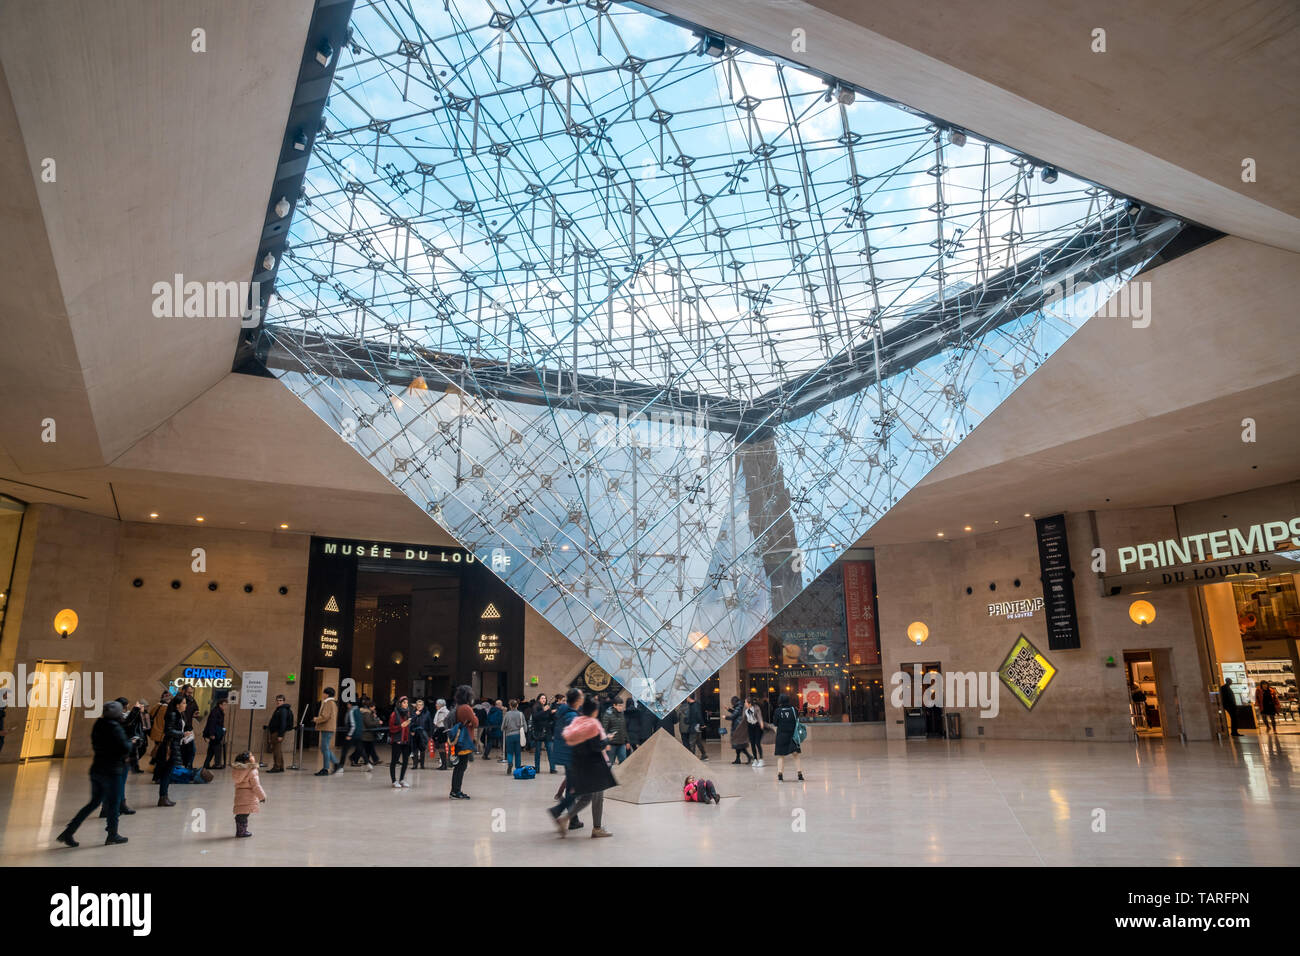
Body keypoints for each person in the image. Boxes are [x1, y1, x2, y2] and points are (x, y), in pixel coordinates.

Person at [56, 700, 134, 847]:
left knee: (93, 803)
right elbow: (124, 747)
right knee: (114, 803)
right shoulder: (115, 728)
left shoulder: (99, 725)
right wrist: (132, 743)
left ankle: (69, 831)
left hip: (98, 768)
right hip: (112, 770)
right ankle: (112, 834)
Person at [548, 697, 615, 838]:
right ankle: (597, 828)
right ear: (595, 711)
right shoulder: (593, 724)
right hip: (594, 765)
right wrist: (607, 739)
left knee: (586, 797)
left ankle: (565, 819)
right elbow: (597, 746)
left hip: (579, 764)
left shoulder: (576, 721)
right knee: (598, 797)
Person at [551, 688, 585, 831]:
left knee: (572, 787)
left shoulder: (564, 712)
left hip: (565, 754)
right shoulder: (571, 716)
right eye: (581, 696)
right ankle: (558, 811)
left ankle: (573, 820)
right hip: (571, 756)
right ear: (577, 700)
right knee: (576, 789)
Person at [154, 694, 186, 806]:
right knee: (166, 773)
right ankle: (163, 797)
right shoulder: (173, 714)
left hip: (174, 745)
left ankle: (164, 797)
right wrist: (182, 734)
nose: (185, 705)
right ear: (177, 705)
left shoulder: (178, 714)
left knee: (167, 773)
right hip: (170, 747)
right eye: (183, 703)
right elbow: (169, 731)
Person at [448, 685, 478, 800]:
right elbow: (475, 723)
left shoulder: (458, 706)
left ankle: (455, 790)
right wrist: (473, 717)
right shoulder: (466, 708)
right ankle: (455, 791)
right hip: (464, 740)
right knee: (461, 766)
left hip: (459, 739)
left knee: (459, 766)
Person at [231, 751, 267, 838]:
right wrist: (262, 796)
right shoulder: (252, 771)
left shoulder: (237, 770)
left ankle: (240, 831)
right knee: (244, 814)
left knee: (241, 814)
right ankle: (241, 832)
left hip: (239, 795)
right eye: (251, 756)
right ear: (247, 761)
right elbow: (256, 786)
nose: (253, 757)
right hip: (248, 796)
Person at [772, 694, 804, 782]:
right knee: (796, 755)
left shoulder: (777, 711)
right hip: (792, 736)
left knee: (781, 756)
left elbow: (775, 723)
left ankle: (780, 775)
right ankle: (800, 774)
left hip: (781, 736)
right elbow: (796, 720)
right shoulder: (794, 710)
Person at [313, 687, 339, 776]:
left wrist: (316, 719)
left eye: (323, 693)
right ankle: (336, 764)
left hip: (327, 728)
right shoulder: (333, 703)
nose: (322, 695)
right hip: (329, 728)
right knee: (325, 748)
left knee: (325, 748)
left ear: (327, 694)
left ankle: (325, 768)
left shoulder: (328, 703)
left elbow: (325, 716)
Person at [388, 695, 412, 788]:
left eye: (407, 703)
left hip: (406, 741)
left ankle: (402, 779)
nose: (406, 704)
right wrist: (400, 726)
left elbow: (409, 726)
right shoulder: (394, 714)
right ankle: (394, 780)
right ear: (400, 704)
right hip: (397, 741)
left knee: (405, 761)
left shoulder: (408, 713)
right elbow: (391, 728)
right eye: (404, 703)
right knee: (394, 761)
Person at [265, 694, 293, 772]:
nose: (278, 702)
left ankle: (276, 767)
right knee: (278, 750)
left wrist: (280, 735)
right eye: (277, 700)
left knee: (276, 750)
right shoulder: (279, 709)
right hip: (275, 732)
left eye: (280, 700)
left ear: (283, 701)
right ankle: (280, 766)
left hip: (277, 732)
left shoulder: (283, 710)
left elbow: (283, 723)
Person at [337, 700, 368, 772]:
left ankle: (341, 767)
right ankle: (368, 764)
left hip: (352, 734)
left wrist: (349, 734)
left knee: (344, 750)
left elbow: (353, 724)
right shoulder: (359, 711)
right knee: (360, 749)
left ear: (350, 705)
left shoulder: (351, 711)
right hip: (358, 734)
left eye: (348, 704)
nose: (347, 706)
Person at [530, 693, 555, 773]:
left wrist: (552, 712)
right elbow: (535, 717)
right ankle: (537, 768)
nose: (544, 700)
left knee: (550, 751)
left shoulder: (547, 707)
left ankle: (552, 768)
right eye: (542, 698)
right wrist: (543, 710)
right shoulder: (535, 707)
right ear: (538, 699)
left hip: (547, 731)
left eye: (545, 698)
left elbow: (550, 718)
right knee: (537, 752)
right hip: (538, 732)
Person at [177, 684, 200, 769]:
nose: (190, 694)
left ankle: (188, 767)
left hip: (189, 728)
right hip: (181, 729)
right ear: (183, 691)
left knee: (191, 750)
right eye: (188, 692)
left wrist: (196, 713)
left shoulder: (192, 700)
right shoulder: (178, 699)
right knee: (182, 750)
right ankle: (183, 767)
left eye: (191, 693)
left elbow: (196, 710)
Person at [601, 697, 629, 763]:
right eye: (619, 706)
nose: (621, 707)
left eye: (622, 706)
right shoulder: (608, 714)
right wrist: (607, 743)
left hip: (621, 743)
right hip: (611, 744)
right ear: (614, 705)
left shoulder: (622, 714)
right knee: (610, 763)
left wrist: (627, 741)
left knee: (623, 762)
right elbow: (604, 730)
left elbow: (624, 728)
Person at [147, 690, 171, 766]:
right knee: (161, 748)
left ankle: (153, 761)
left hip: (155, 731)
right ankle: (154, 761)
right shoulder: (167, 709)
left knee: (157, 746)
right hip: (162, 732)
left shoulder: (156, 706)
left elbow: (150, 715)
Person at [725, 696, 752, 765]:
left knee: (739, 745)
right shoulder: (739, 706)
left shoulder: (739, 707)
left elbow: (733, 716)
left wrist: (726, 717)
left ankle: (748, 756)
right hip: (738, 727)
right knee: (738, 745)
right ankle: (738, 758)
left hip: (737, 728)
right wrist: (729, 709)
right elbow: (736, 713)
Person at [202, 698, 227, 770]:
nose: (225, 706)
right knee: (217, 748)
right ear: (220, 705)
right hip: (215, 733)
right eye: (224, 705)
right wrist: (212, 734)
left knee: (211, 750)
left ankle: (207, 764)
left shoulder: (219, 711)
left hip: (216, 733)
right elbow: (212, 723)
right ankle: (217, 764)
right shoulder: (216, 712)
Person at [680, 693, 706, 761]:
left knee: (692, 742)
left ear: (689, 697)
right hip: (694, 725)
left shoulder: (695, 705)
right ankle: (704, 754)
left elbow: (698, 715)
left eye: (687, 697)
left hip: (694, 726)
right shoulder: (692, 705)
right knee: (698, 741)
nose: (686, 698)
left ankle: (692, 758)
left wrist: (702, 724)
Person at [502, 699, 525, 774]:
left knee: (509, 752)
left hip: (509, 735)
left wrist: (504, 728)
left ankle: (510, 763)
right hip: (518, 735)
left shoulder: (507, 714)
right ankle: (518, 768)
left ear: (510, 706)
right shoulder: (521, 714)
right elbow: (525, 726)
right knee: (518, 752)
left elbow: (503, 726)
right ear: (517, 705)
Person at [410, 698, 432, 769]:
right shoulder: (413, 713)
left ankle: (422, 765)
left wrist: (430, 734)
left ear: (423, 706)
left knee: (422, 749)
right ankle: (415, 765)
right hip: (415, 732)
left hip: (423, 732)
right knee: (415, 749)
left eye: (421, 705)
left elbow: (430, 724)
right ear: (416, 706)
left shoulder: (427, 713)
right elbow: (410, 722)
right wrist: (411, 731)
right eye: (418, 705)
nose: (419, 706)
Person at [745, 696, 766, 767]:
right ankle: (755, 759)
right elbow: (743, 718)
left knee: (757, 743)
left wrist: (761, 723)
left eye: (746, 702)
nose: (745, 704)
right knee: (752, 744)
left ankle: (761, 760)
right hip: (750, 726)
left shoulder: (756, 708)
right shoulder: (745, 710)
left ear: (749, 703)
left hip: (757, 726)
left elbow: (759, 716)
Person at [359, 699, 382, 766]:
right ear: (370, 707)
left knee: (368, 748)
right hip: (366, 733)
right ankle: (355, 758)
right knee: (365, 748)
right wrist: (378, 722)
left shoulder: (368, 713)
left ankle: (369, 760)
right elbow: (369, 723)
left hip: (367, 734)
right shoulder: (367, 713)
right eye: (373, 706)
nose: (374, 708)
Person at [433, 698, 451, 770]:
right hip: (439, 730)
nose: (436, 705)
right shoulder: (439, 711)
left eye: (437, 704)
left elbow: (449, 722)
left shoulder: (446, 712)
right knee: (440, 748)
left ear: (441, 705)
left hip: (443, 730)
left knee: (442, 747)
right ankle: (443, 764)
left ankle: (445, 765)